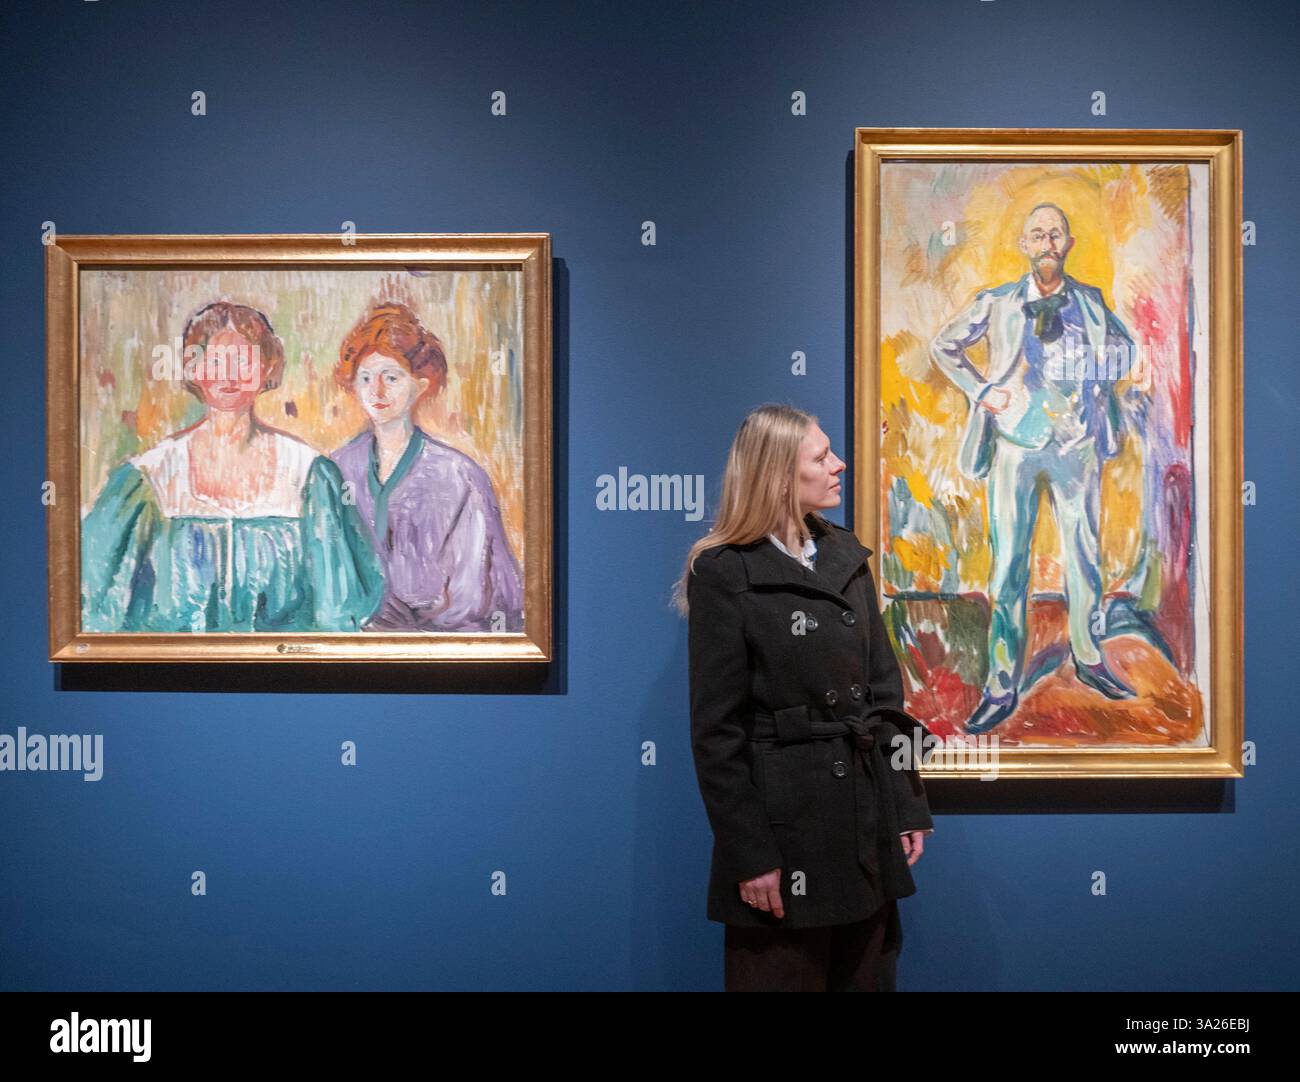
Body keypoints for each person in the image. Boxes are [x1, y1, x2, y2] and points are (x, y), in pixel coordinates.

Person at [673, 403, 935, 992]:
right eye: (821, 457)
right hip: (783, 839)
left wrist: (907, 804)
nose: (839, 464)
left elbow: (885, 698)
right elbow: (717, 734)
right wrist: (750, 856)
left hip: (863, 827)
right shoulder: (724, 572)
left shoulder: (847, 557)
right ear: (778, 476)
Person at [929, 202, 1139, 734]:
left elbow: (1126, 350)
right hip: (1014, 447)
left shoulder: (1091, 302)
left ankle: (1089, 660)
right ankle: (1003, 682)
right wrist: (982, 390)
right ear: (1024, 244)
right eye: (1037, 235)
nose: (1047, 243)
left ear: (1068, 244)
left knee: (1085, 557)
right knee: (1009, 567)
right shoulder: (998, 303)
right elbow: (944, 345)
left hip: (1075, 446)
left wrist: (1094, 384)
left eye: (1056, 235)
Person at [81, 301, 384, 633]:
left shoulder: (309, 473)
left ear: (268, 368)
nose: (229, 375)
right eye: (215, 361)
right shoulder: (149, 477)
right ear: (194, 368)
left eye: (243, 361)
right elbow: (96, 602)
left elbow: (338, 610)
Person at [330, 302, 524, 632]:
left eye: (391, 377)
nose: (376, 391)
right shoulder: (336, 469)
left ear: (420, 385)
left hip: (440, 646)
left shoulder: (459, 476)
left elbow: (473, 598)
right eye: (365, 377)